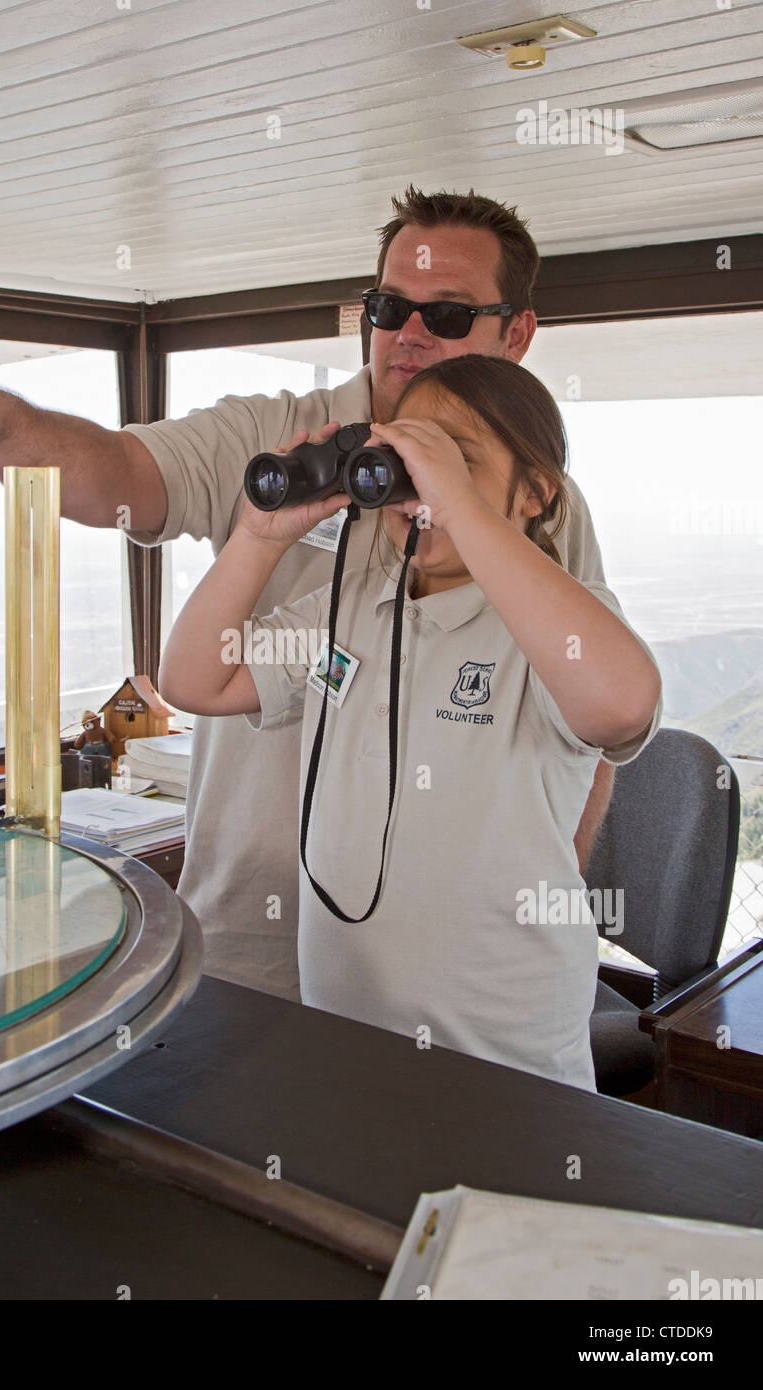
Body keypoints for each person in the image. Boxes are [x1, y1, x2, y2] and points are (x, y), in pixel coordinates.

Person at [0, 187, 615, 1003]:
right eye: (390, 306)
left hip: (454, 982)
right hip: (251, 940)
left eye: (452, 314)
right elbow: (116, 473)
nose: (412, 334)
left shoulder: (536, 505)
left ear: (519, 332)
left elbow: (599, 724)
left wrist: (525, 899)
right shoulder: (284, 440)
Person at [157, 355, 663, 1090]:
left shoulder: (551, 628)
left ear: (536, 492)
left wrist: (459, 507)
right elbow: (196, 678)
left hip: (507, 1067)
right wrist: (260, 537)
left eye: (456, 460)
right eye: (406, 455)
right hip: (345, 1044)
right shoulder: (348, 607)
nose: (419, 481)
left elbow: (622, 706)